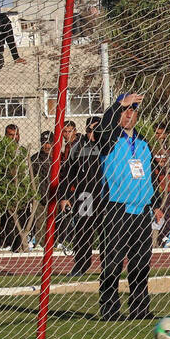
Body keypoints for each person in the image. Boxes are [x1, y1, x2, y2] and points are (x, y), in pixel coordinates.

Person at [94, 91, 155, 321]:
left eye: (133, 110)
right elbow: (102, 128)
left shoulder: (142, 141)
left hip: (141, 210)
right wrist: (118, 104)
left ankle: (140, 309)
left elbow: (149, 175)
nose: (129, 114)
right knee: (112, 262)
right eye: (125, 110)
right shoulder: (108, 138)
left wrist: (155, 202)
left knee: (140, 263)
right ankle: (110, 310)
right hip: (116, 208)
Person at [60, 117, 103, 274]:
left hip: (106, 196)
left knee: (106, 232)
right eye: (90, 130)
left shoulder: (108, 146)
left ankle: (108, 267)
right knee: (83, 232)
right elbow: (67, 176)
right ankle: (81, 266)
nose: (93, 133)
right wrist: (64, 197)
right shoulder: (77, 148)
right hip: (85, 196)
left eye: (96, 130)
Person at [0, 123, 30, 252]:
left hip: (22, 192)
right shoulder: (0, 151)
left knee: (23, 220)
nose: (14, 137)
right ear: (5, 136)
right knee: (8, 220)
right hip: (8, 192)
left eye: (16, 134)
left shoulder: (22, 151)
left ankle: (21, 245)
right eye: (10, 135)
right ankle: (7, 246)